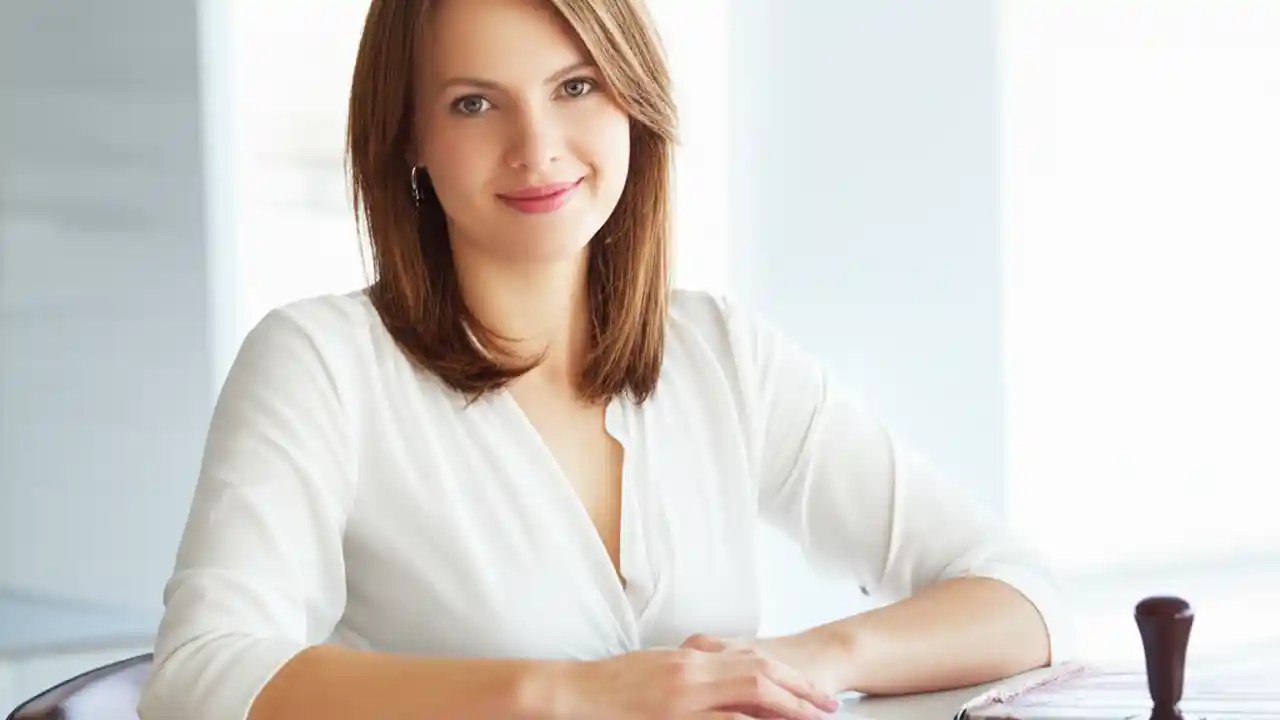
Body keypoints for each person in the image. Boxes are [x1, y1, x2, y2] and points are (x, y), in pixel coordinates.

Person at [138, 0, 1069, 718]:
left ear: (634, 97)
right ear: (410, 138)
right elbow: (202, 675)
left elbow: (1021, 597)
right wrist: (576, 695)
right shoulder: (321, 366)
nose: (537, 148)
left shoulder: (719, 353)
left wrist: (796, 665)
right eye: (474, 103)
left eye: (576, 86)